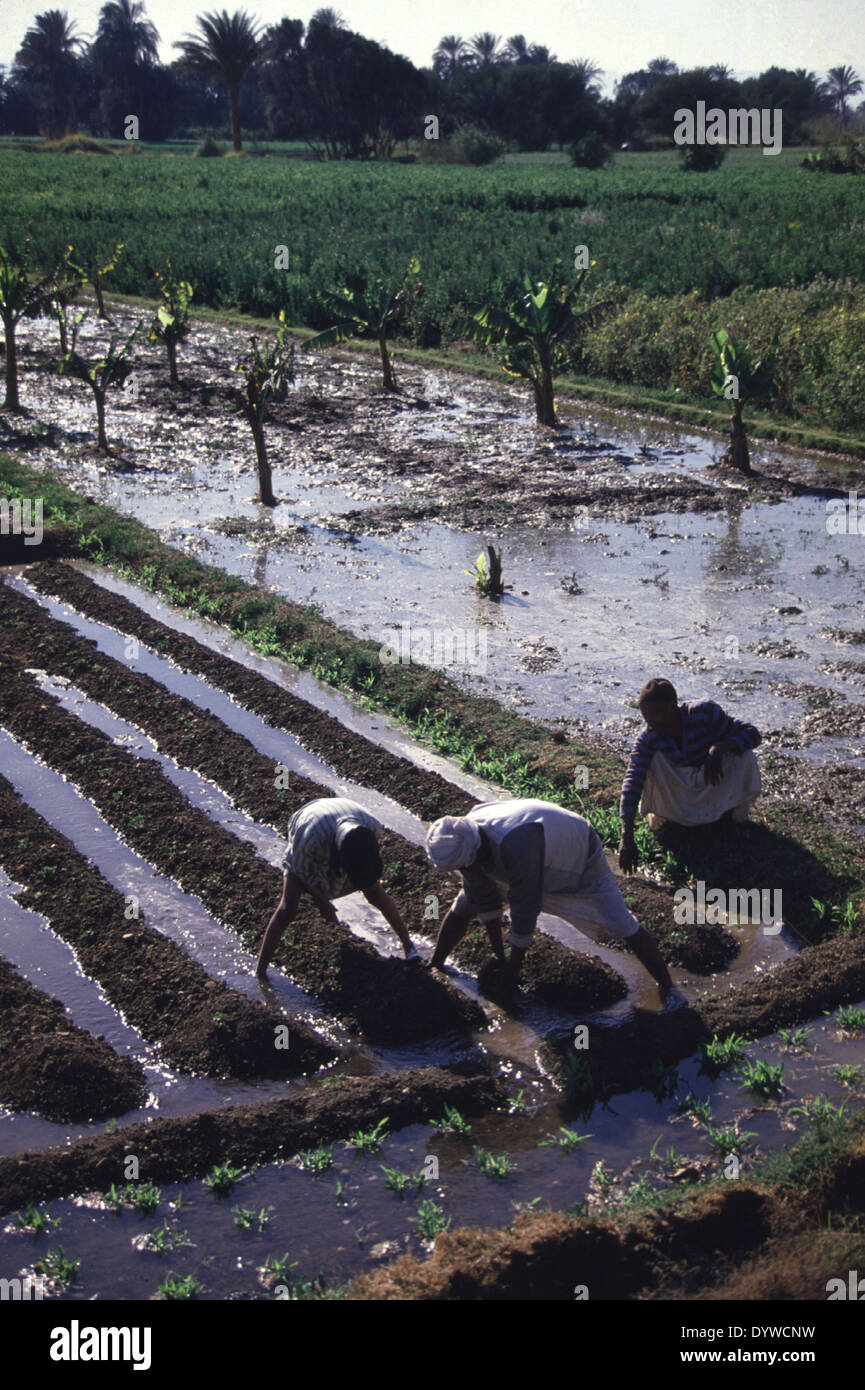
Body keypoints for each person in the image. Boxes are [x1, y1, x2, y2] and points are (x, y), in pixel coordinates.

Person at [424, 798, 672, 997]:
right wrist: (499, 956)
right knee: (465, 905)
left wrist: (513, 969)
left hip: (577, 857)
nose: (464, 872)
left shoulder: (515, 845)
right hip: (520, 857)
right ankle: (435, 964)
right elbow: (482, 895)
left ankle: (668, 989)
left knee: (622, 924)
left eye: (464, 867)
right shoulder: (466, 835)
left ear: (473, 854)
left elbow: (525, 907)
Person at [256, 796, 417, 976]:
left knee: (375, 892)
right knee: (288, 908)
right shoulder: (309, 838)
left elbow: (367, 864)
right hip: (308, 819)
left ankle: (409, 945)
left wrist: (359, 880)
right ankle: (261, 970)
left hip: (342, 814)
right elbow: (302, 872)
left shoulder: (372, 828)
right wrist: (322, 902)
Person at [618, 678, 762, 873]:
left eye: (654, 714)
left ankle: (725, 815)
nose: (649, 721)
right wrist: (626, 835)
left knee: (743, 755)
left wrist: (719, 748)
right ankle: (675, 820)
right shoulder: (648, 737)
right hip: (680, 786)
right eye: (645, 715)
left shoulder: (704, 713)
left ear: (671, 707)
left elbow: (752, 734)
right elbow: (633, 779)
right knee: (650, 763)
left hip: (710, 779)